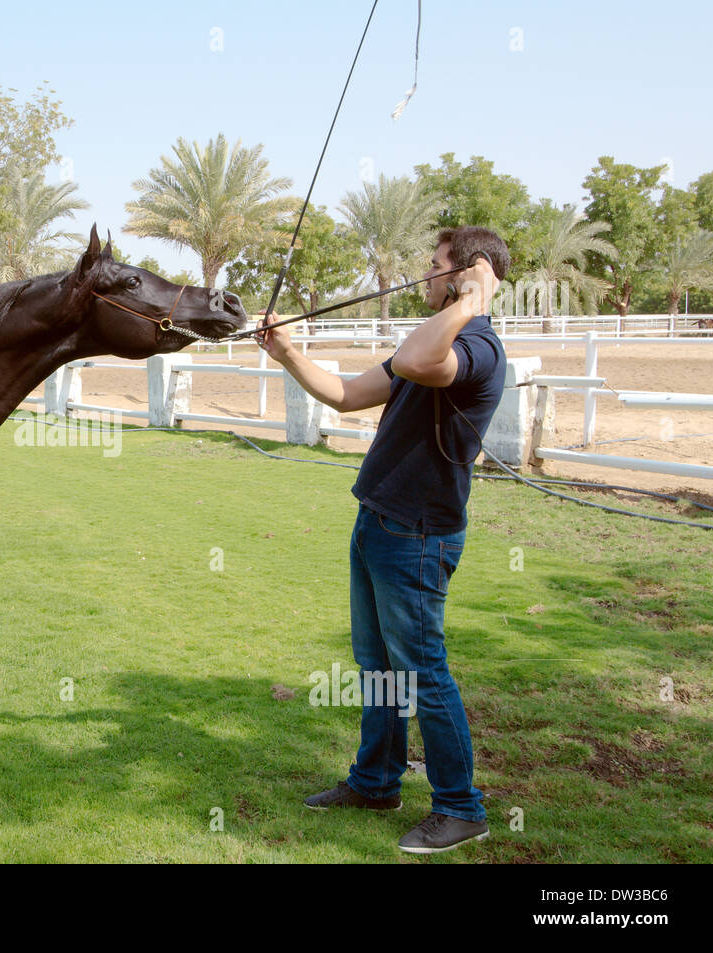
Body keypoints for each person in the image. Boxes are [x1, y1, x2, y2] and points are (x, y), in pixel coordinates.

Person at [257, 226, 508, 854]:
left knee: (423, 675)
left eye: (435, 266)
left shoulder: (476, 343)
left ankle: (461, 808)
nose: (425, 275)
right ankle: (375, 782)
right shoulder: (438, 336)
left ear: (466, 272)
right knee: (379, 673)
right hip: (377, 524)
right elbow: (347, 396)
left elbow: (424, 362)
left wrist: (471, 299)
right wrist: (288, 352)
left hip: (417, 536)